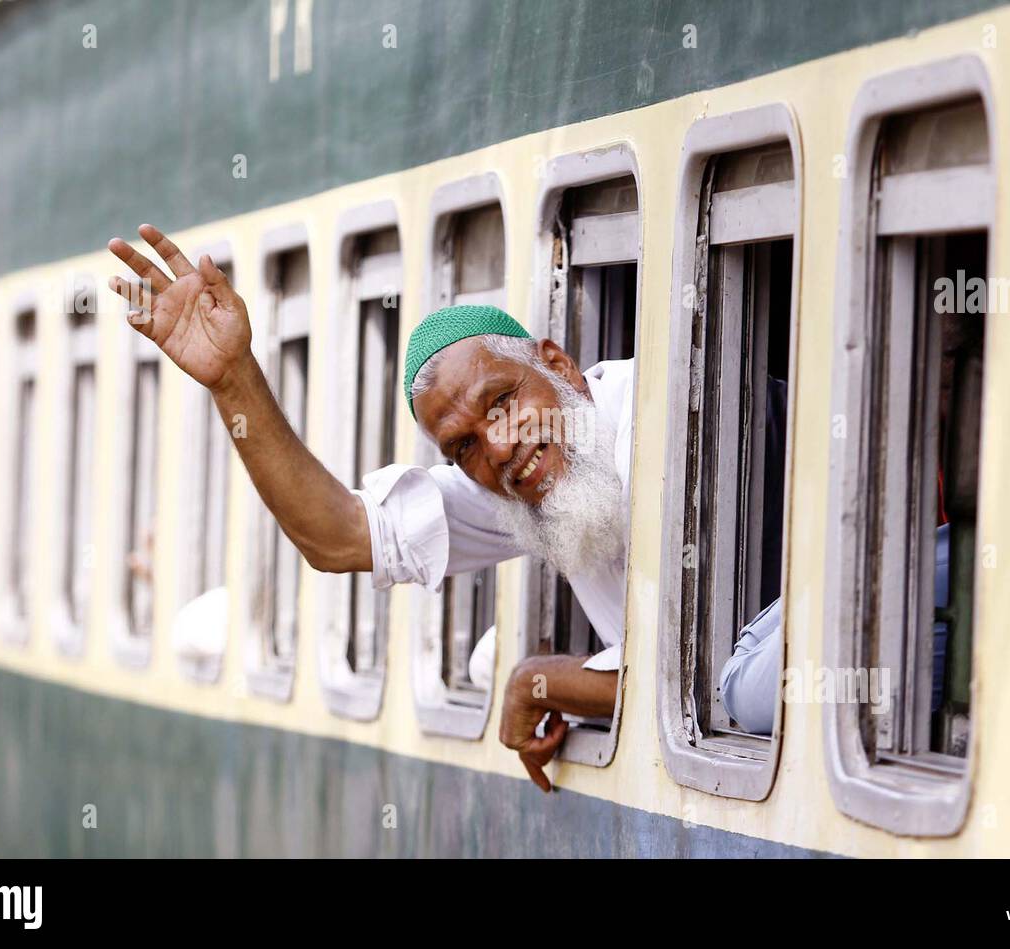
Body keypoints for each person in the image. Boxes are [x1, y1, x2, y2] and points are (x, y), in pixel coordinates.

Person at [106, 224, 778, 791]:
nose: (502, 444)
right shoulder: (518, 479)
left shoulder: (658, 423)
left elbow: (693, 682)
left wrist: (538, 680)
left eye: (503, 401)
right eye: (463, 446)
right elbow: (337, 537)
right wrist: (233, 377)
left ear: (560, 366)